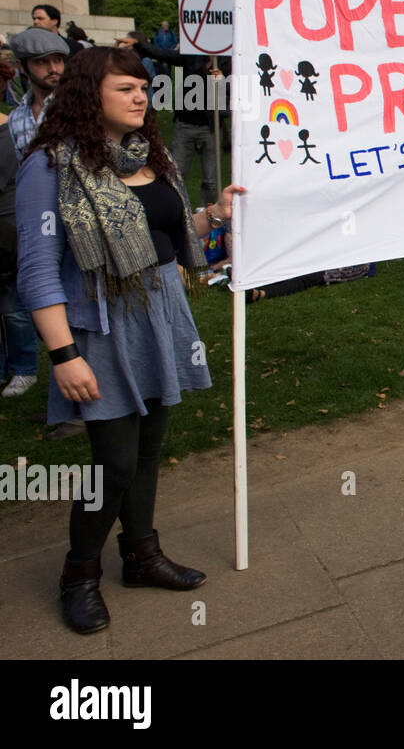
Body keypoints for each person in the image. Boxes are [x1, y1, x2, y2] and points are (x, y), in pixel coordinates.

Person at [16, 46, 244, 635]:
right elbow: (38, 270)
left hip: (161, 315)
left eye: (143, 87)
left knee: (147, 451)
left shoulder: (151, 155)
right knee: (113, 464)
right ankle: (79, 575)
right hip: (99, 325)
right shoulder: (51, 166)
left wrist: (211, 216)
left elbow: (162, 234)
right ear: (89, 95)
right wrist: (63, 355)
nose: (141, 97)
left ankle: (141, 556)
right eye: (126, 88)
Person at [0, 27, 70, 398]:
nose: (53, 68)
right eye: (43, 62)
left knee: (76, 308)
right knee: (41, 301)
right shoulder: (17, 119)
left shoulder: (78, 108)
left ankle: (82, 402)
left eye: (58, 60)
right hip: (36, 221)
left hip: (77, 218)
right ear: (25, 66)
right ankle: (63, 394)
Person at [118, 31, 222, 207]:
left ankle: (211, 216)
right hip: (186, 125)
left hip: (209, 128)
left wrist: (221, 79)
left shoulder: (225, 62)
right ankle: (175, 210)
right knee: (175, 173)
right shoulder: (190, 57)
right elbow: (163, 54)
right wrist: (138, 43)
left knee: (211, 179)